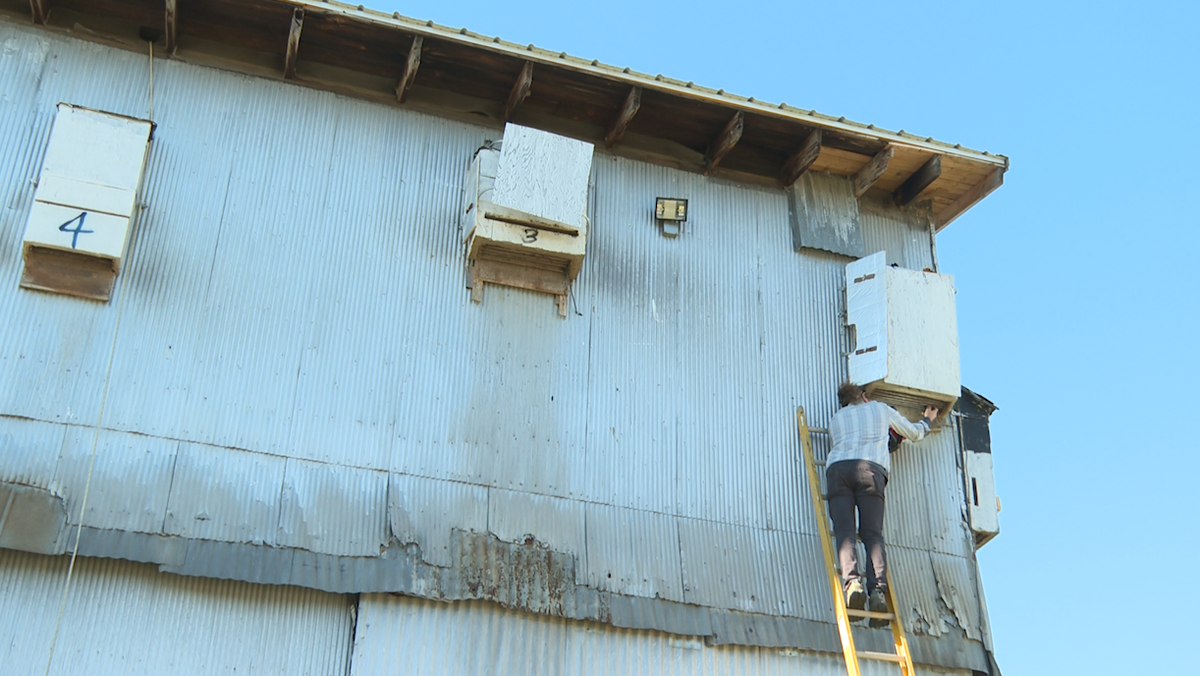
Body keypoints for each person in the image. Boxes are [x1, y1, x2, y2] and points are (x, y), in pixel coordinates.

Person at [826, 382, 938, 625]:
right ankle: (877, 592)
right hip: (870, 471)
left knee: (845, 532)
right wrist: (927, 420)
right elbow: (914, 433)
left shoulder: (835, 420)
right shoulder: (879, 409)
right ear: (864, 397)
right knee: (871, 534)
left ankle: (852, 584)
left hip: (838, 472)